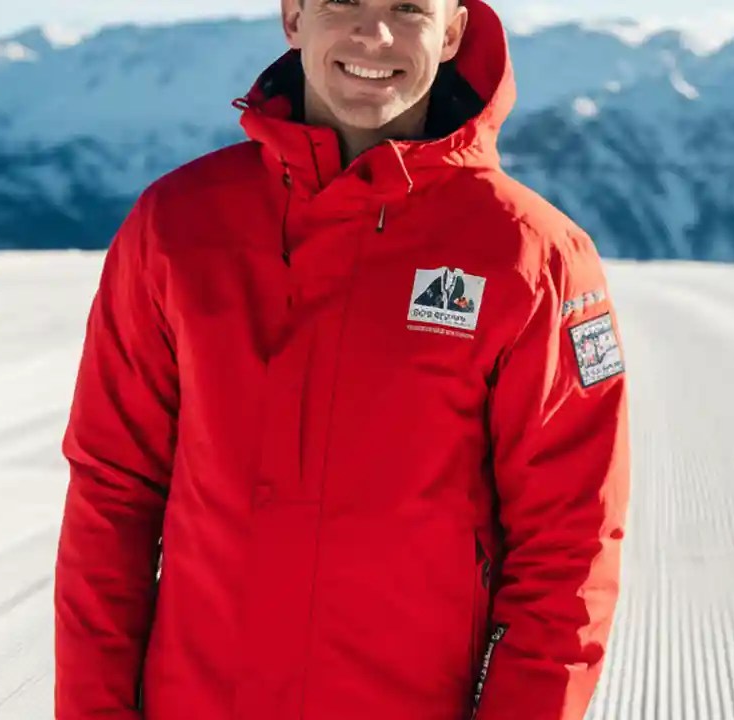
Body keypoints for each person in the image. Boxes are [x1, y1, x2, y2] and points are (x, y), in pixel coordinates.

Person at [54, 0, 631, 718]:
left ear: (451, 31)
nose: (373, 33)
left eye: (408, 8)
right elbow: (112, 495)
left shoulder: (531, 256)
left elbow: (568, 551)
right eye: (343, 3)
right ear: (294, 17)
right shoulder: (177, 226)